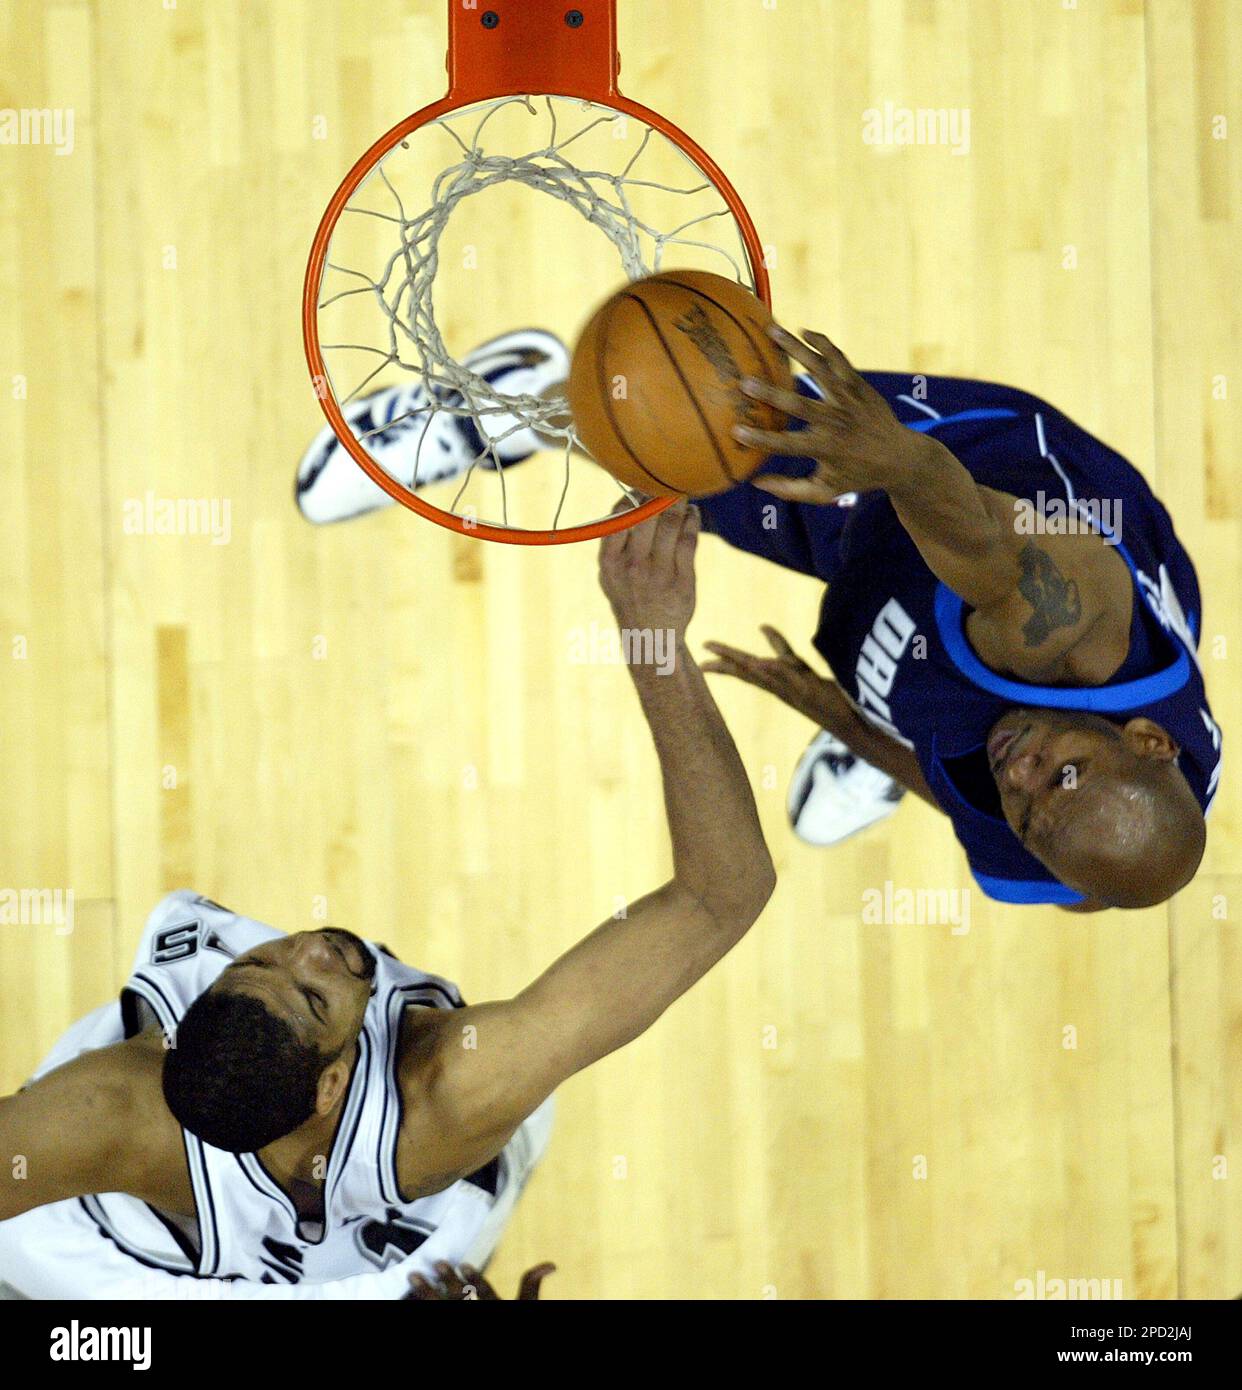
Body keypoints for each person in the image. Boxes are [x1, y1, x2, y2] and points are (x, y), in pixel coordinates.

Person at [0, 503, 775, 1297]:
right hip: (124, 1270)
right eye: (311, 993)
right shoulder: (451, 1087)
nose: (311, 945)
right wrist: (654, 637)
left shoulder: (105, 1105)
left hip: (184, 1223)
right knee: (499, 1157)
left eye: (258, 961)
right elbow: (723, 894)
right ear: (334, 1084)